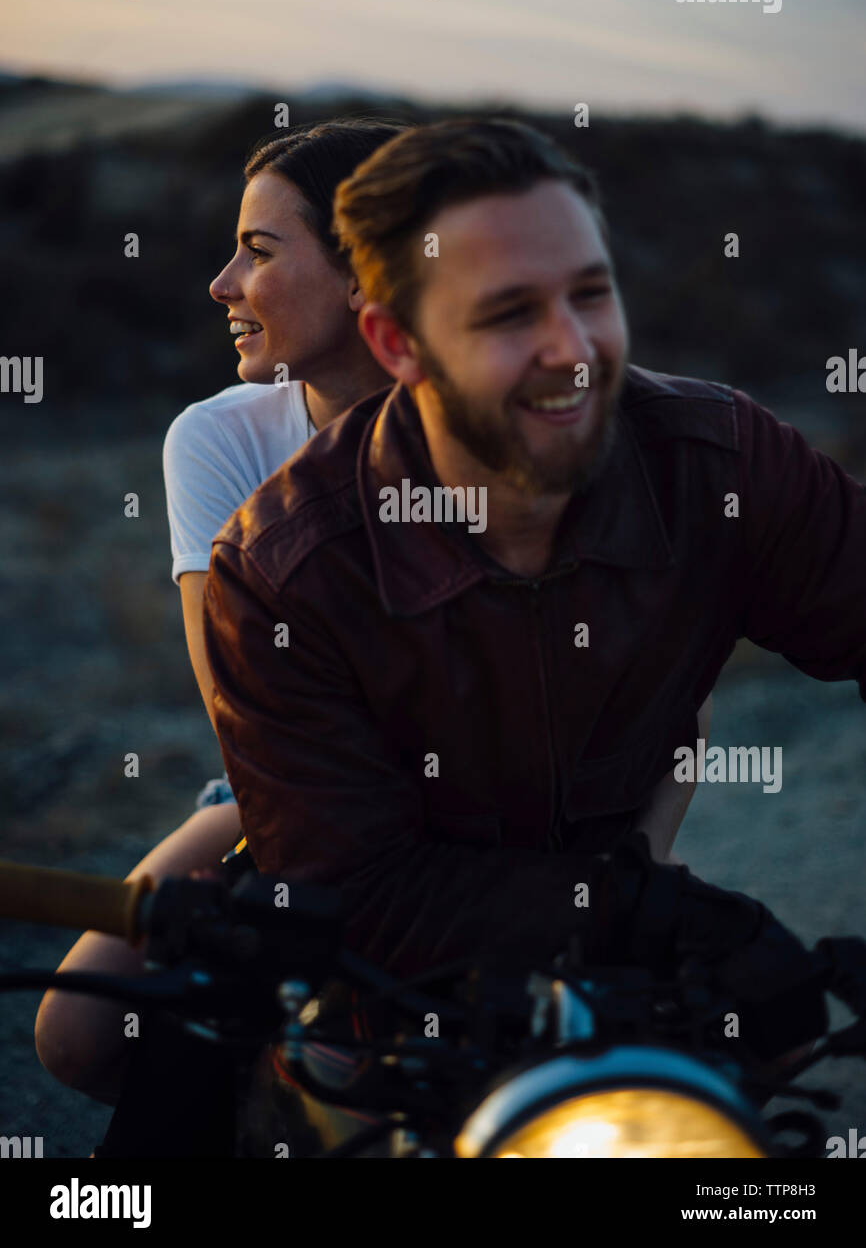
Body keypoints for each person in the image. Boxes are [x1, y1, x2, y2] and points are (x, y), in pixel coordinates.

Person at [203, 117, 865, 996]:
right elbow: (356, 894)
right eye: (509, 311)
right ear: (398, 343)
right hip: (403, 1025)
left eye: (590, 295)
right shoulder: (280, 569)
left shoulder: (723, 458)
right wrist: (654, 919)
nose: (574, 352)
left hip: (629, 974)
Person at [33, 118, 403, 1105]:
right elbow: (238, 713)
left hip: (500, 807)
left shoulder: (505, 430)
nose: (221, 283)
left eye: (260, 250)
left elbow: (665, 693)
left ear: (368, 275)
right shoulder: (218, 437)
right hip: (283, 793)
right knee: (77, 1029)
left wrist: (627, 858)